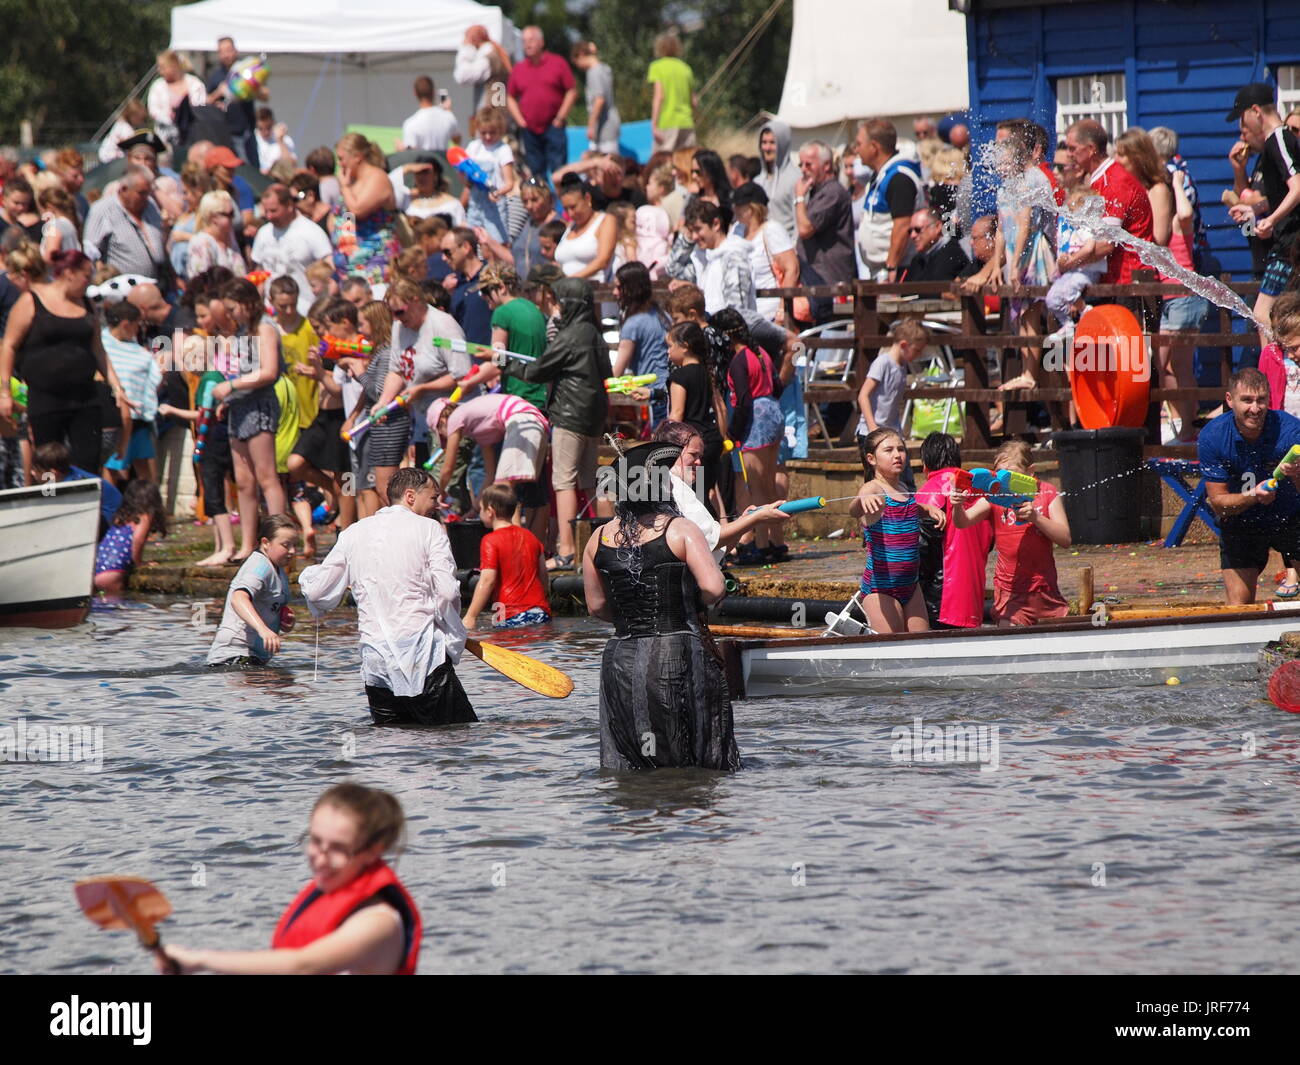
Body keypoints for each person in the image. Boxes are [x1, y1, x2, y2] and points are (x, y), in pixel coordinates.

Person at [583, 439, 739, 770]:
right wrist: (689, 605)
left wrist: (633, 618)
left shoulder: (598, 538)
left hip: (620, 656)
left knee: (636, 754)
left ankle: (641, 812)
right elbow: (713, 587)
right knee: (691, 749)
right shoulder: (680, 529)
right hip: (676, 649)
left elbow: (596, 607)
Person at [157, 783, 421, 975]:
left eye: (338, 848)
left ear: (372, 852)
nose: (320, 858)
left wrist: (200, 960)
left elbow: (303, 966)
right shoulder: (332, 892)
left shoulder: (378, 923)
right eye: (316, 842)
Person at [299, 467, 476, 726]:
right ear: (410, 496)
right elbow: (448, 593)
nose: (437, 505)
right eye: (434, 497)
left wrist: (314, 575)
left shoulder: (353, 533)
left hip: (376, 662)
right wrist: (453, 636)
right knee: (456, 736)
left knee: (389, 746)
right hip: (423, 656)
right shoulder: (430, 529)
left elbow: (317, 590)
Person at [494, 277, 607, 570]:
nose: (554, 308)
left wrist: (505, 362)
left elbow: (537, 370)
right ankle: (597, 544)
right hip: (594, 417)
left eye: (557, 302)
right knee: (589, 481)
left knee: (564, 481)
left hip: (569, 415)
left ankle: (567, 549)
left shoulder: (571, 335)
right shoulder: (594, 333)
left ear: (568, 304)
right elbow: (606, 369)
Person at [0, 250, 132, 473]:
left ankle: (88, 507)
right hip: (46, 399)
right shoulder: (32, 300)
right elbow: (9, 345)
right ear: (68, 273)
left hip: (85, 398)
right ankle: (50, 505)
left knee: (88, 462)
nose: (88, 282)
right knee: (49, 464)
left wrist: (117, 386)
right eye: (85, 276)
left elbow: (98, 349)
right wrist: (5, 393)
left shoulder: (87, 304)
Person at [1199, 367, 1300, 605]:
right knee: (1239, 609)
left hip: (1291, 516)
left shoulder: (1292, 431)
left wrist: (1298, 475)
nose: (1255, 409)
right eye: (1247, 400)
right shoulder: (1213, 435)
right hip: (1241, 521)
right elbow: (1218, 503)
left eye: (1261, 400)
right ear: (1229, 400)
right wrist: (1253, 495)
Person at [951, 440, 1071, 626]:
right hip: (1009, 593)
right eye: (1000, 476)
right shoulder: (996, 498)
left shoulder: (1047, 493)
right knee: (1011, 635)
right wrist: (957, 505)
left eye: (1012, 477)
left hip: (1044, 589)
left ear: (1030, 472)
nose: (1005, 483)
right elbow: (963, 522)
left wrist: (1036, 518)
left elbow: (1065, 539)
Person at [212, 278, 288, 560]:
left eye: (232, 309)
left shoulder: (265, 328)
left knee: (266, 476)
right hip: (239, 407)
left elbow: (268, 371)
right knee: (243, 480)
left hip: (260, 405)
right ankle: (247, 544)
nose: (230, 316)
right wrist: (229, 399)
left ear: (246, 303)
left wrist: (231, 387)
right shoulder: (243, 332)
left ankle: (281, 540)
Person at [651, 419, 791, 562]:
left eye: (700, 456)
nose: (699, 462)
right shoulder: (676, 487)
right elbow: (712, 539)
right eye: (693, 455)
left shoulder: (660, 482)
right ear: (671, 452)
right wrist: (754, 518)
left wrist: (745, 520)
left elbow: (718, 547)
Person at [851, 427, 944, 634]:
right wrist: (863, 500)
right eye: (889, 450)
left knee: (921, 646)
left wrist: (928, 509)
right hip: (880, 588)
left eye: (901, 449)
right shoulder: (873, 489)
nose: (897, 455)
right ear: (871, 459)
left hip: (911, 585)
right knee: (893, 647)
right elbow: (854, 508)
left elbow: (908, 509)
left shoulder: (903, 487)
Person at [1227, 84, 1300, 343]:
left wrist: (1271, 219)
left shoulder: (1278, 138)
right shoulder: (1273, 144)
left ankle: (1275, 378)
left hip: (1289, 242)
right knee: (1281, 315)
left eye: (1242, 118)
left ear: (1255, 111)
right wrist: (1255, 208)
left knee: (1262, 314)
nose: (1241, 129)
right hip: (1287, 242)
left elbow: (1298, 187)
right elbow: (1281, 195)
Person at [715, 308, 782, 565]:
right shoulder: (761, 351)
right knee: (768, 483)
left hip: (756, 418)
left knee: (755, 485)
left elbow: (742, 400)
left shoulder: (739, 360)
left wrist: (732, 434)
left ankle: (761, 545)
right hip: (773, 411)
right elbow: (777, 386)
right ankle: (777, 542)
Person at [914, 432, 993, 628]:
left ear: (925, 465)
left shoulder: (929, 492)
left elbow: (921, 552)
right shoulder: (977, 489)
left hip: (940, 599)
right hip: (973, 594)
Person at [1064, 119, 1153, 286]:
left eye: (1072, 148)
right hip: (1114, 279)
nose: (1068, 154)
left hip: (1131, 281)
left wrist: (1067, 263)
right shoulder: (1099, 178)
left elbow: (1105, 244)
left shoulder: (1113, 181)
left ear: (1091, 149)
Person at [205, 514, 297, 666]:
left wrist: (284, 617)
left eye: (295, 545)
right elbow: (238, 598)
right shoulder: (259, 566)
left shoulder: (278, 569)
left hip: (253, 657)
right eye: (286, 545)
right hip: (233, 656)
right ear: (266, 543)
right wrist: (264, 630)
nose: (293, 551)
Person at [429, 391, 548, 504]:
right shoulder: (480, 429)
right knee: (534, 500)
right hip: (535, 420)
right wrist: (476, 509)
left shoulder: (454, 417)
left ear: (443, 421)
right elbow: (490, 474)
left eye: (442, 435)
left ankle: (506, 526)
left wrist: (440, 492)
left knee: (503, 489)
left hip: (520, 420)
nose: (448, 437)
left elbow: (448, 468)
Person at [462, 481, 551, 630]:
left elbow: (487, 580)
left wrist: (470, 616)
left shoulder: (490, 540)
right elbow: (543, 575)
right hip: (540, 611)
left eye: (481, 509)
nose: (480, 513)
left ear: (490, 511)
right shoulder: (530, 536)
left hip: (509, 614)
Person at [855, 319, 930, 488]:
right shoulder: (883, 363)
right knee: (876, 482)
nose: (918, 355)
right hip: (872, 431)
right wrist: (873, 428)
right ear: (904, 345)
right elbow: (863, 395)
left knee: (906, 478)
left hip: (892, 431)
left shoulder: (902, 365)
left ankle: (909, 510)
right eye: (917, 351)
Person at [855, 118, 927, 281]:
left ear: (874, 147)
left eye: (859, 144)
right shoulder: (880, 176)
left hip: (898, 270)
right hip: (881, 269)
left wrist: (891, 266)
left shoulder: (899, 177)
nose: (856, 149)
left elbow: (902, 226)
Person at [507, 26, 577, 185]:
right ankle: (543, 206)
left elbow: (571, 91)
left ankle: (563, 206)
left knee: (559, 171)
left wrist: (560, 117)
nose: (527, 45)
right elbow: (510, 97)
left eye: (531, 40)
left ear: (541, 42)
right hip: (530, 129)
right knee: (536, 173)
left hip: (554, 126)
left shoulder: (557, 63)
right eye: (524, 41)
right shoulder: (519, 69)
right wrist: (520, 120)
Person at [100, 299, 160, 482]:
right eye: (137, 325)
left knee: (143, 463)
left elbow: (151, 379)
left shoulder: (141, 352)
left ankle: (149, 506)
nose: (139, 330)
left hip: (139, 417)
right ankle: (109, 509)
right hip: (115, 416)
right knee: (113, 466)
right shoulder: (101, 344)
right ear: (126, 324)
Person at [251, 184, 334, 316]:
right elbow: (259, 271)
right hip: (272, 312)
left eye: (273, 211)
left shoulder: (311, 232)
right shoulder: (263, 233)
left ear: (289, 205)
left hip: (305, 311)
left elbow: (329, 266)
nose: (269, 216)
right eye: (266, 211)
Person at [332, 133, 400, 286]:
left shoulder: (377, 177)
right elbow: (345, 216)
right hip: (349, 265)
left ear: (357, 157)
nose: (340, 164)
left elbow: (357, 210)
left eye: (342, 158)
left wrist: (344, 186)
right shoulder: (351, 181)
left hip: (374, 263)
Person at [82, 165, 168, 282]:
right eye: (141, 193)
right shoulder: (103, 210)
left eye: (148, 193)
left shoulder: (150, 205)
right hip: (121, 289)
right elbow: (90, 251)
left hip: (157, 284)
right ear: (123, 189)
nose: (146, 198)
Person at [611, 261, 669, 423]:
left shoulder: (633, 324)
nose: (614, 292)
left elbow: (617, 372)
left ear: (631, 289)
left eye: (618, 287)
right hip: (669, 390)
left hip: (655, 394)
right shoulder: (660, 314)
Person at [794, 141, 856, 290]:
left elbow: (805, 229)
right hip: (817, 277)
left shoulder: (832, 192)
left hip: (830, 279)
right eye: (800, 165)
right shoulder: (817, 192)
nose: (803, 170)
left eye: (808, 164)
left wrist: (799, 198)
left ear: (826, 165)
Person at [30, 440, 122, 535]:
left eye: (37, 470)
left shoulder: (75, 486)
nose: (32, 473)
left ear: (52, 473)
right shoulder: (63, 474)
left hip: (111, 520)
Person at [93, 479, 168, 596]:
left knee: (103, 606)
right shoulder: (144, 516)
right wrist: (138, 563)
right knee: (117, 606)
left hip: (96, 570)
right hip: (113, 573)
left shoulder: (120, 516)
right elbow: (138, 539)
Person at [461, 107, 516, 244]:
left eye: (492, 133)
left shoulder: (503, 149)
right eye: (483, 133)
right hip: (475, 202)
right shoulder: (474, 147)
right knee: (471, 240)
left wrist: (498, 192)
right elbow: (466, 178)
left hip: (494, 204)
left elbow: (509, 183)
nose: (488, 137)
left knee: (496, 241)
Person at [204, 36, 260, 166]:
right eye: (222, 52)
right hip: (225, 132)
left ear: (235, 51)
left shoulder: (245, 71)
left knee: (250, 167)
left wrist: (251, 88)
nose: (226, 55)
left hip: (246, 130)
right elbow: (205, 102)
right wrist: (219, 92)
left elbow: (265, 95)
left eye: (228, 50)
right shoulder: (215, 77)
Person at [554, 177, 617, 281]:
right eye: (566, 209)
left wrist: (570, 280)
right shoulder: (570, 227)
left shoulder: (605, 221)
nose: (570, 213)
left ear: (587, 198)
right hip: (565, 292)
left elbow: (603, 261)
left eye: (573, 207)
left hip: (596, 290)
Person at [440, 226, 492, 343]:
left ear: (466, 247)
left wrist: (499, 361)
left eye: (447, 252)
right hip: (467, 358)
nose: (443, 258)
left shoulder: (491, 276)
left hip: (495, 357)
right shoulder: (455, 286)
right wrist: (445, 296)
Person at [647, 32, 697, 153]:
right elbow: (694, 102)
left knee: (662, 164)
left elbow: (659, 96)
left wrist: (654, 125)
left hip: (667, 121)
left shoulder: (657, 67)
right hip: (686, 122)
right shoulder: (686, 68)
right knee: (686, 162)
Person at [146, 50, 206, 150]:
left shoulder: (195, 84)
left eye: (163, 67)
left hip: (192, 137)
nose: (160, 71)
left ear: (174, 65)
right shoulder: (157, 86)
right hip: (165, 139)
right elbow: (153, 110)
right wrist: (169, 117)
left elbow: (200, 107)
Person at [571, 42, 620, 154]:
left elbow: (599, 99)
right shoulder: (604, 68)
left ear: (581, 54)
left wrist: (591, 125)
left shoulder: (593, 72)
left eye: (576, 62)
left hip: (604, 127)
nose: (578, 66)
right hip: (611, 123)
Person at [454, 24, 513, 116]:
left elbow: (462, 77)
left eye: (466, 38)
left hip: (491, 116)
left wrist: (466, 48)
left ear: (474, 39)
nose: (463, 41)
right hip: (498, 112)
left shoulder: (487, 55)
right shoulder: (495, 51)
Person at [900, 205, 970, 282]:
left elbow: (934, 292)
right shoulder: (917, 260)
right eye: (910, 231)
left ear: (937, 227)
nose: (912, 235)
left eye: (918, 230)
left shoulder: (952, 255)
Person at [186, 189, 244, 278]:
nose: (233, 218)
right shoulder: (202, 243)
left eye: (233, 213)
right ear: (213, 217)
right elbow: (202, 283)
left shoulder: (230, 237)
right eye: (228, 214)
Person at [398, 75, 460, 151]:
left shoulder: (410, 123)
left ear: (415, 93)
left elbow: (410, 153)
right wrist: (449, 112)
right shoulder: (449, 117)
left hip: (423, 162)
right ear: (433, 92)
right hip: (442, 162)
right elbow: (457, 140)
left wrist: (400, 149)